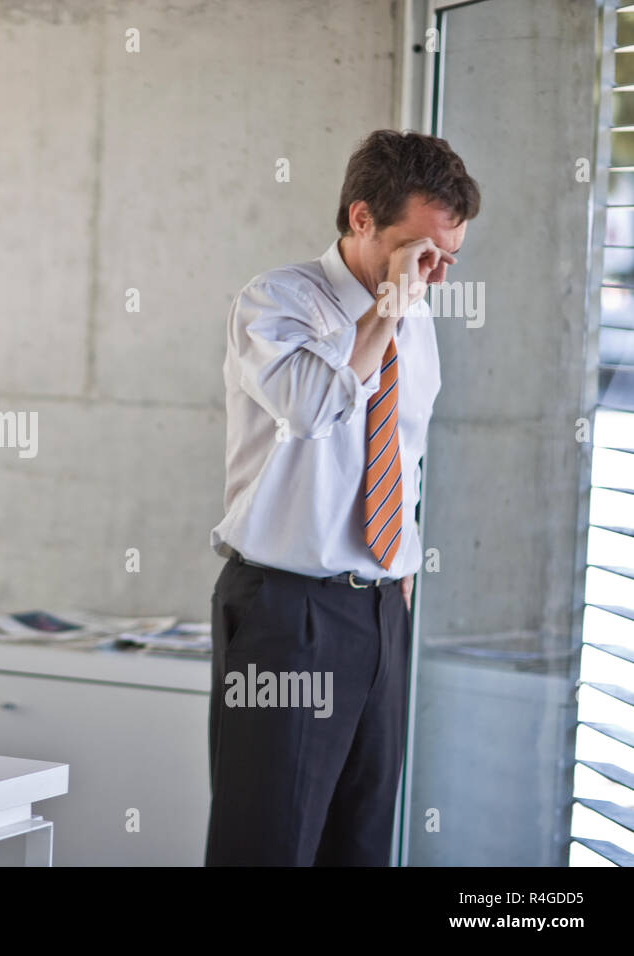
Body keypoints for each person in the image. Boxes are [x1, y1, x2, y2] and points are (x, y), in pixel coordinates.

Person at [207, 130, 480, 865]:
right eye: (422, 253)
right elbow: (315, 410)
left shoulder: (418, 315)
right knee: (268, 843)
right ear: (361, 218)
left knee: (359, 844)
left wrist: (403, 576)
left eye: (448, 258)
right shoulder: (276, 302)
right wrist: (388, 306)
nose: (436, 275)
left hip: (381, 610)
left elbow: (405, 452)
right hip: (289, 612)